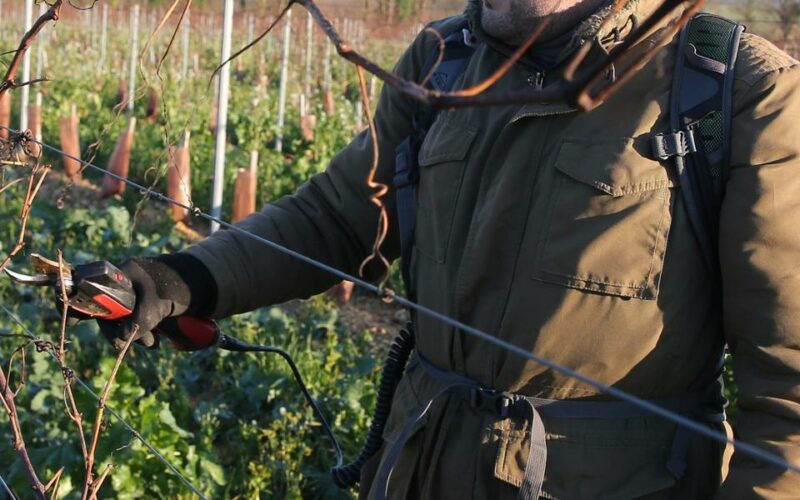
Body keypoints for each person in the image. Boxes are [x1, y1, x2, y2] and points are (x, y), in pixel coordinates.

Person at [100, 0, 800, 497]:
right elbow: (340, 216)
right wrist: (180, 278)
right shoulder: (444, 61)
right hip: (418, 465)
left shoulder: (732, 91)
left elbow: (789, 392)